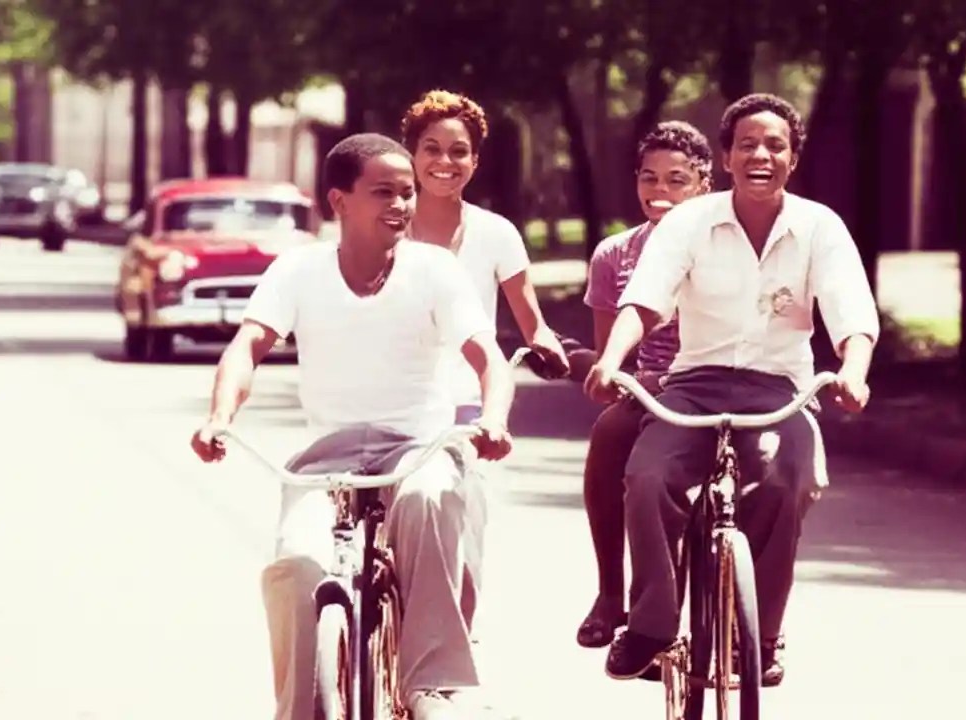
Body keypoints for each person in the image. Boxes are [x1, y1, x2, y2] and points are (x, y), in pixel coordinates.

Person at [189, 133, 516, 720]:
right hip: (327, 459)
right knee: (296, 567)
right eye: (383, 192)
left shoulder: (435, 269)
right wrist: (220, 417)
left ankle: (433, 684)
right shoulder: (298, 270)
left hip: (418, 449)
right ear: (339, 202)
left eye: (407, 193)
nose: (400, 205)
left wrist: (492, 416)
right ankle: (299, 710)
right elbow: (248, 346)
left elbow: (486, 355)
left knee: (429, 498)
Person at [584, 94, 880, 686]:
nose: (760, 155)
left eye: (775, 145)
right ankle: (651, 623)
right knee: (647, 475)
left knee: (783, 482)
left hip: (780, 391)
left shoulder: (820, 227)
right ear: (725, 157)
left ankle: (762, 638)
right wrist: (613, 358)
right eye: (747, 144)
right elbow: (645, 298)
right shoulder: (690, 223)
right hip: (694, 384)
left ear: (793, 158)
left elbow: (852, 312)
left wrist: (854, 370)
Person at [573, 121, 713, 649]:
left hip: (726, 382)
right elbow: (615, 352)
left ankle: (759, 615)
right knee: (609, 436)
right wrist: (607, 374)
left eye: (676, 180)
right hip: (654, 391)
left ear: (704, 182)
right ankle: (612, 592)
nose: (661, 193)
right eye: (649, 179)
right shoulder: (616, 256)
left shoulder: (725, 240)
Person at [400, 88, 571, 424]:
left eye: (459, 152)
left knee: (450, 474)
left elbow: (535, 328)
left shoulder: (497, 233)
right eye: (431, 149)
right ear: (412, 155)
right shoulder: (386, 228)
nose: (444, 162)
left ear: (474, 162)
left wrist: (560, 353)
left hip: (467, 403)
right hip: (395, 405)